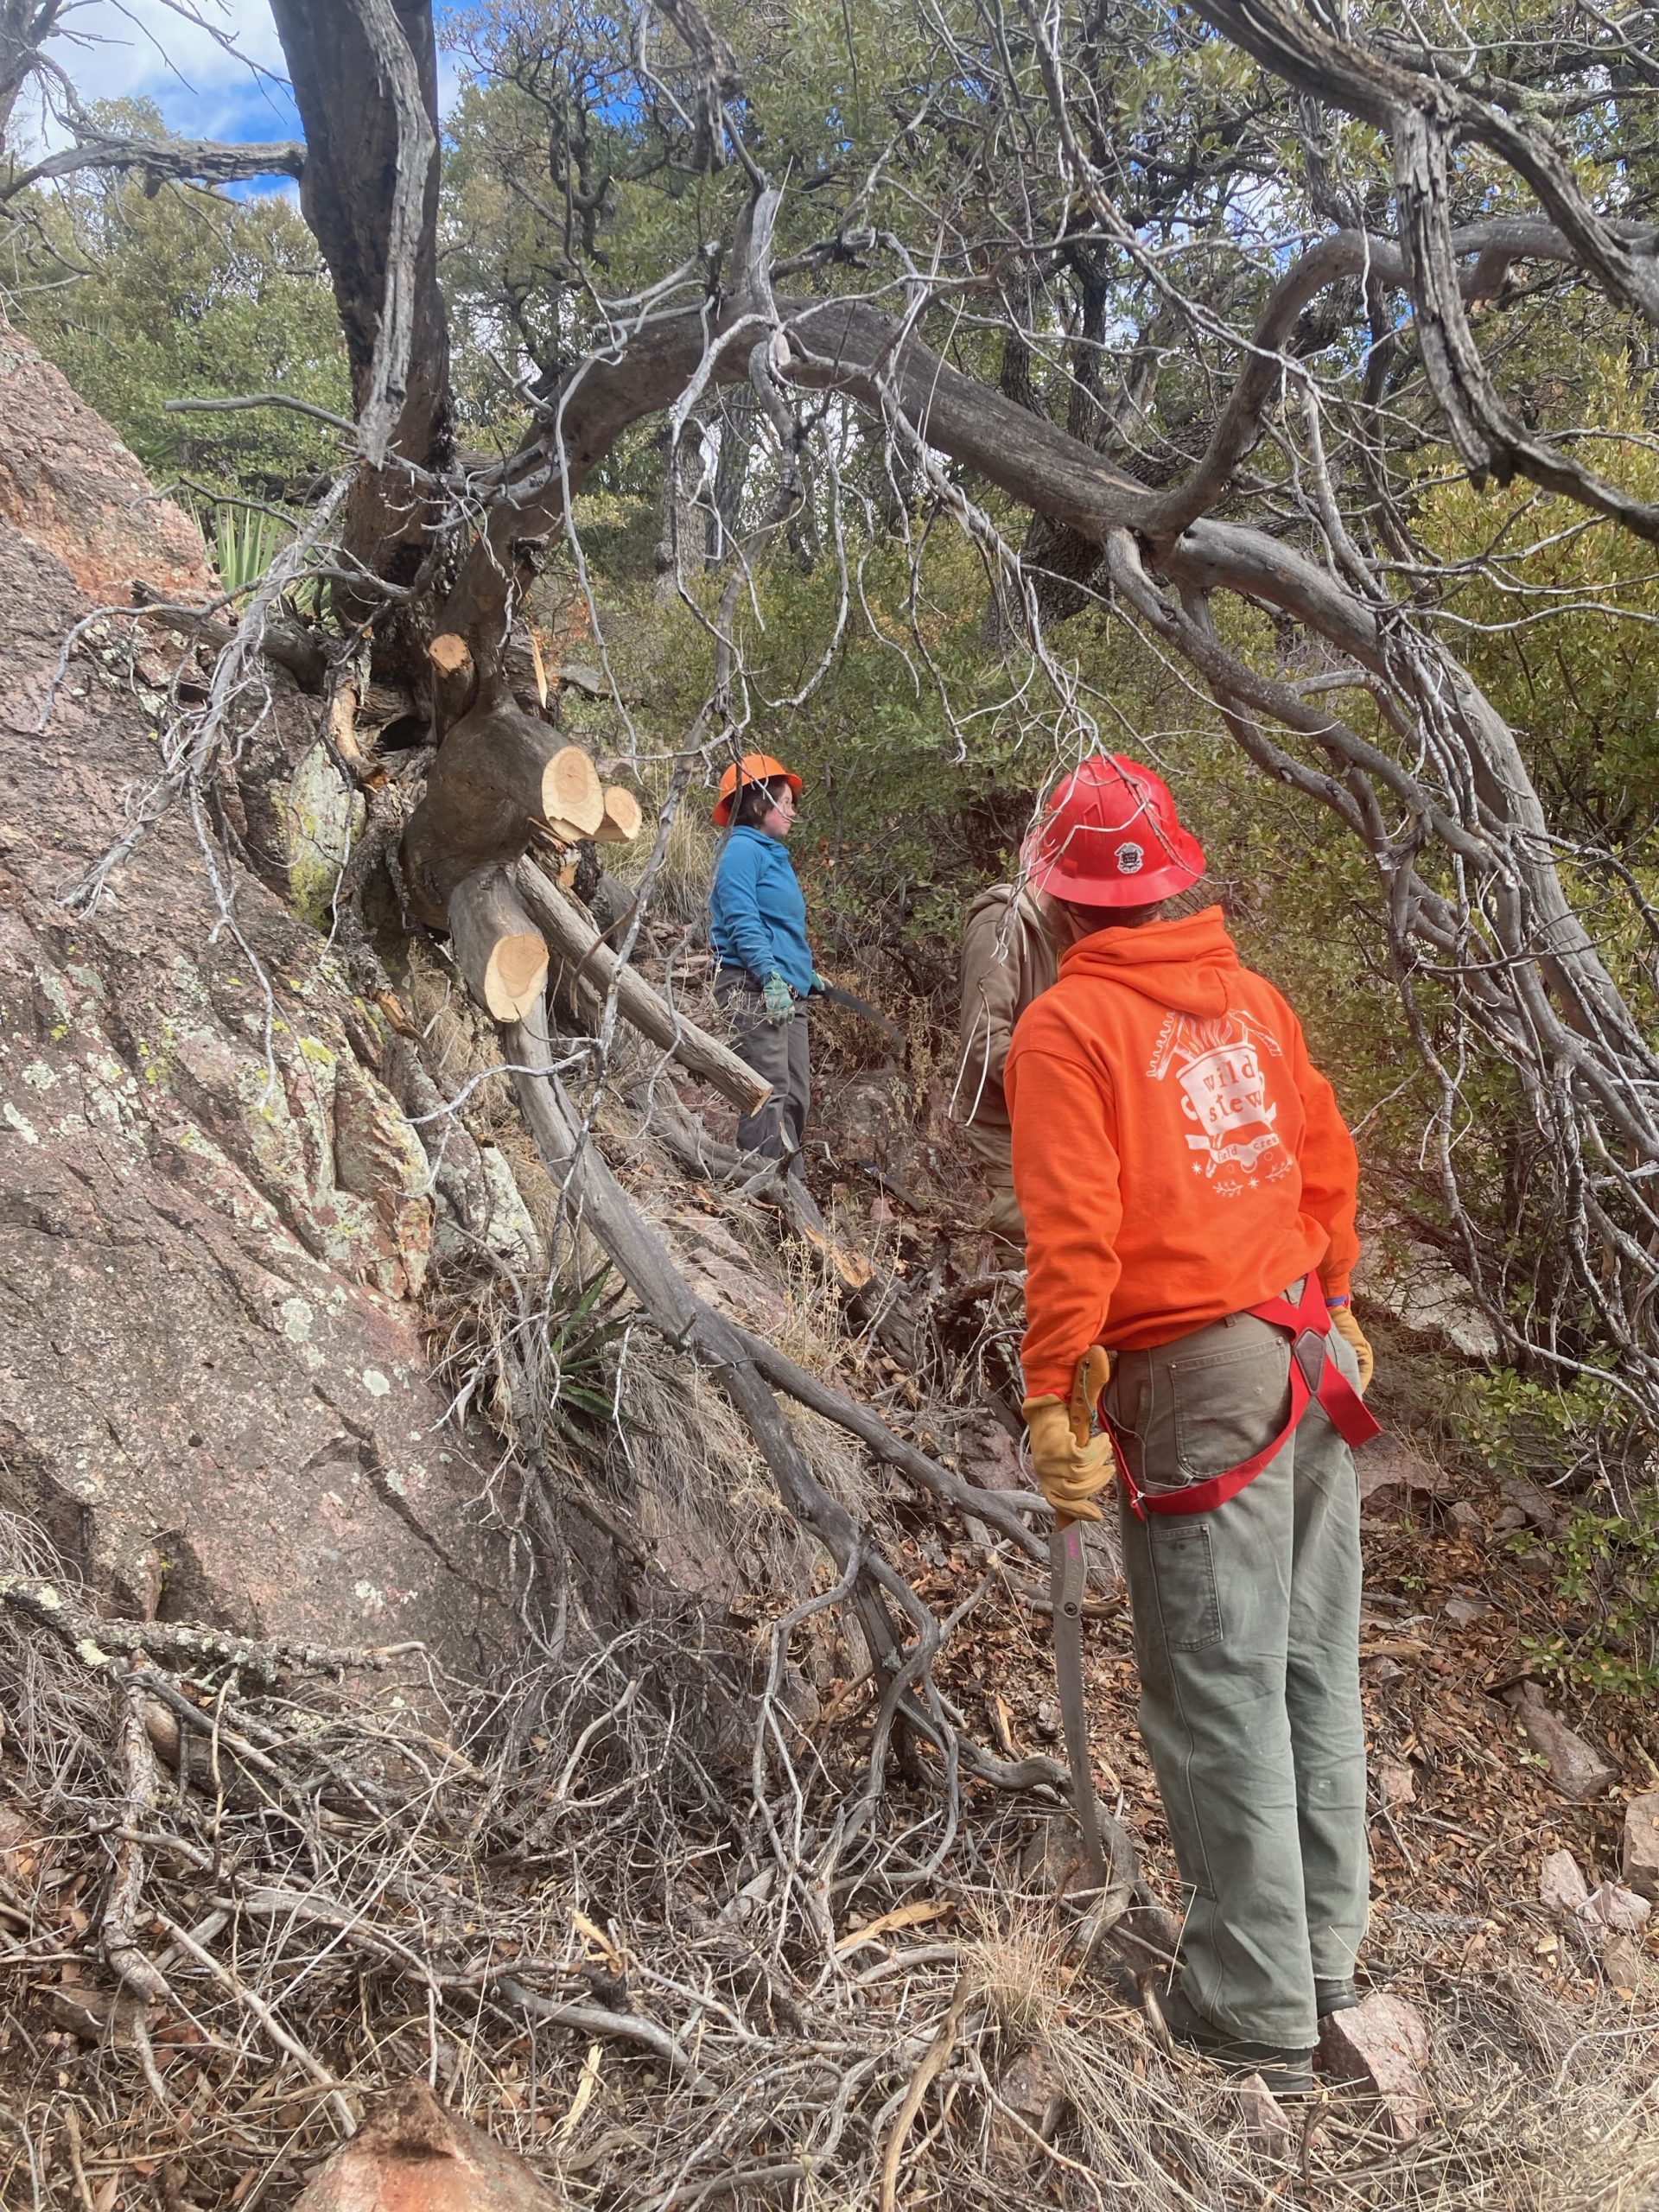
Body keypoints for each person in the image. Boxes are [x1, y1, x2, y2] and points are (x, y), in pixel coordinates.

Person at [1005, 753, 1376, 2098]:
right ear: (1172, 882)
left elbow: (1076, 1238)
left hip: (1205, 1382)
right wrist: (1332, 1289)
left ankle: (1250, 2011)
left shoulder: (1064, 1031)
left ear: (1054, 901)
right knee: (1306, 1667)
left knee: (1220, 1691)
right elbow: (1325, 1160)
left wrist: (1054, 1391)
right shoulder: (1251, 999)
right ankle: (1326, 1964)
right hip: (1307, 1355)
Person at [709, 751, 819, 1172]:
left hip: (784, 988)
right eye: (785, 802)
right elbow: (742, 921)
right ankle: (758, 1192)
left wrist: (804, 974)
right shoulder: (740, 851)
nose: (792, 811)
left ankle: (788, 1189)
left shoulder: (771, 853)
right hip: (754, 987)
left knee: (794, 1094)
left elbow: (778, 927)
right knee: (766, 1092)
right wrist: (771, 976)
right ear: (759, 805)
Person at [951, 880, 1073, 1245]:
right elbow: (983, 1041)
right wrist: (1064, 1081)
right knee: (1019, 1244)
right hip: (1002, 1124)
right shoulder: (1000, 925)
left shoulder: (1061, 928)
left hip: (1046, 1119)